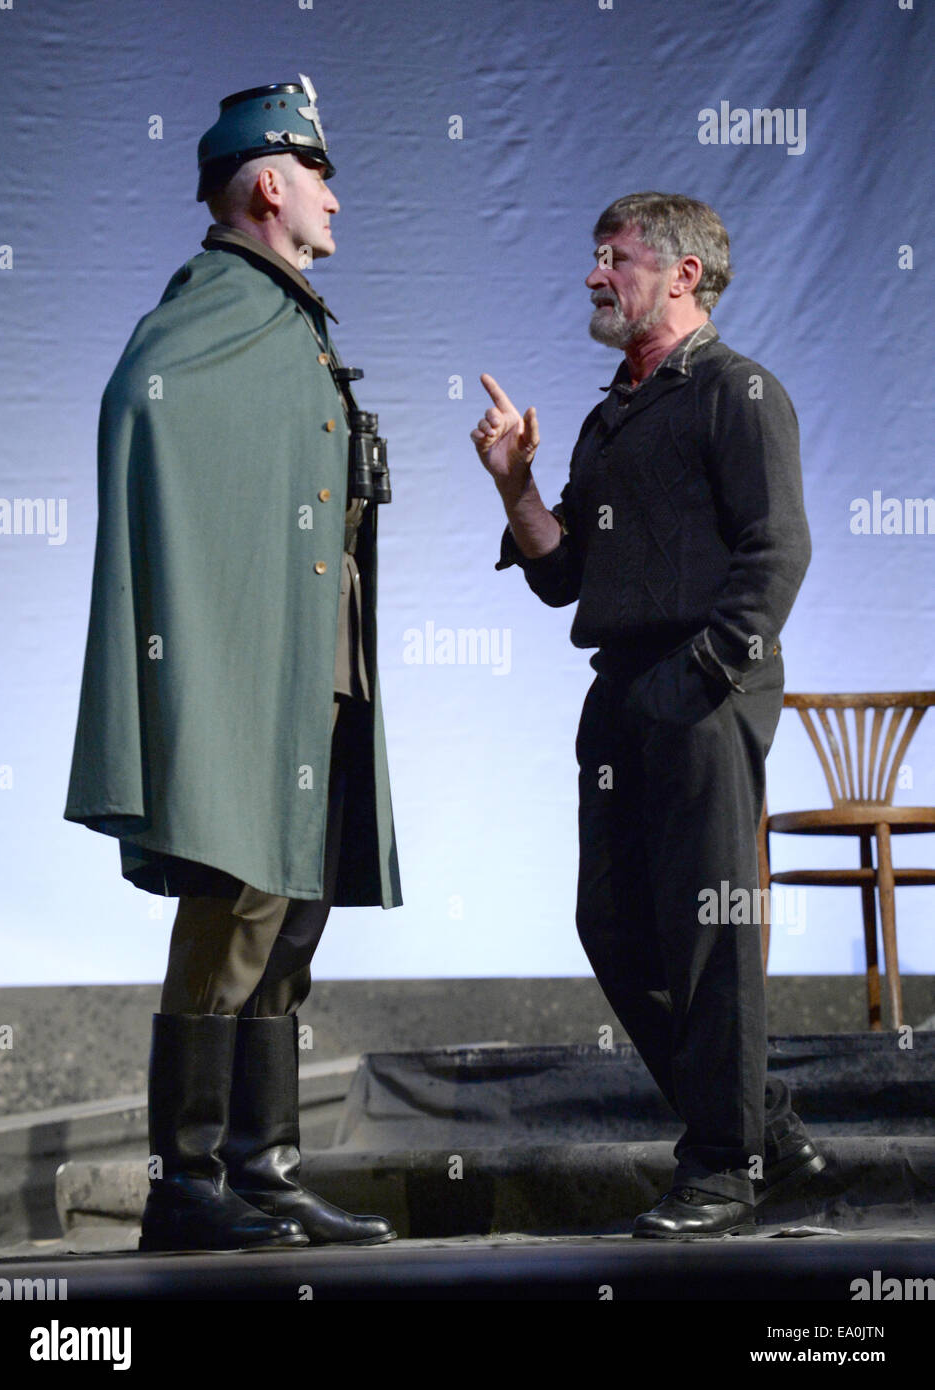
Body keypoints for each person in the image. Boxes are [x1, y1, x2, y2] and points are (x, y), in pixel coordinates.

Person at [64, 77, 401, 1253]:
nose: (335, 200)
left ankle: (261, 1170)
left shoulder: (287, 313)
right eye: (320, 176)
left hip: (319, 669)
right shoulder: (214, 304)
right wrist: (211, 629)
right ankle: (185, 1180)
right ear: (269, 182)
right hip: (252, 673)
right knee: (233, 909)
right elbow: (143, 425)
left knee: (291, 918)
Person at [472, 191, 824, 1239]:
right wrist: (515, 487)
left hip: (701, 686)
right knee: (613, 924)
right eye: (594, 257)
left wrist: (709, 672)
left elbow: (778, 550)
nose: (593, 275)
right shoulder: (609, 414)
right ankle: (767, 1132)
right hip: (619, 691)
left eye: (613, 258)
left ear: (682, 274)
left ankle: (721, 1168)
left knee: (710, 933)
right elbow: (562, 572)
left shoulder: (739, 392)